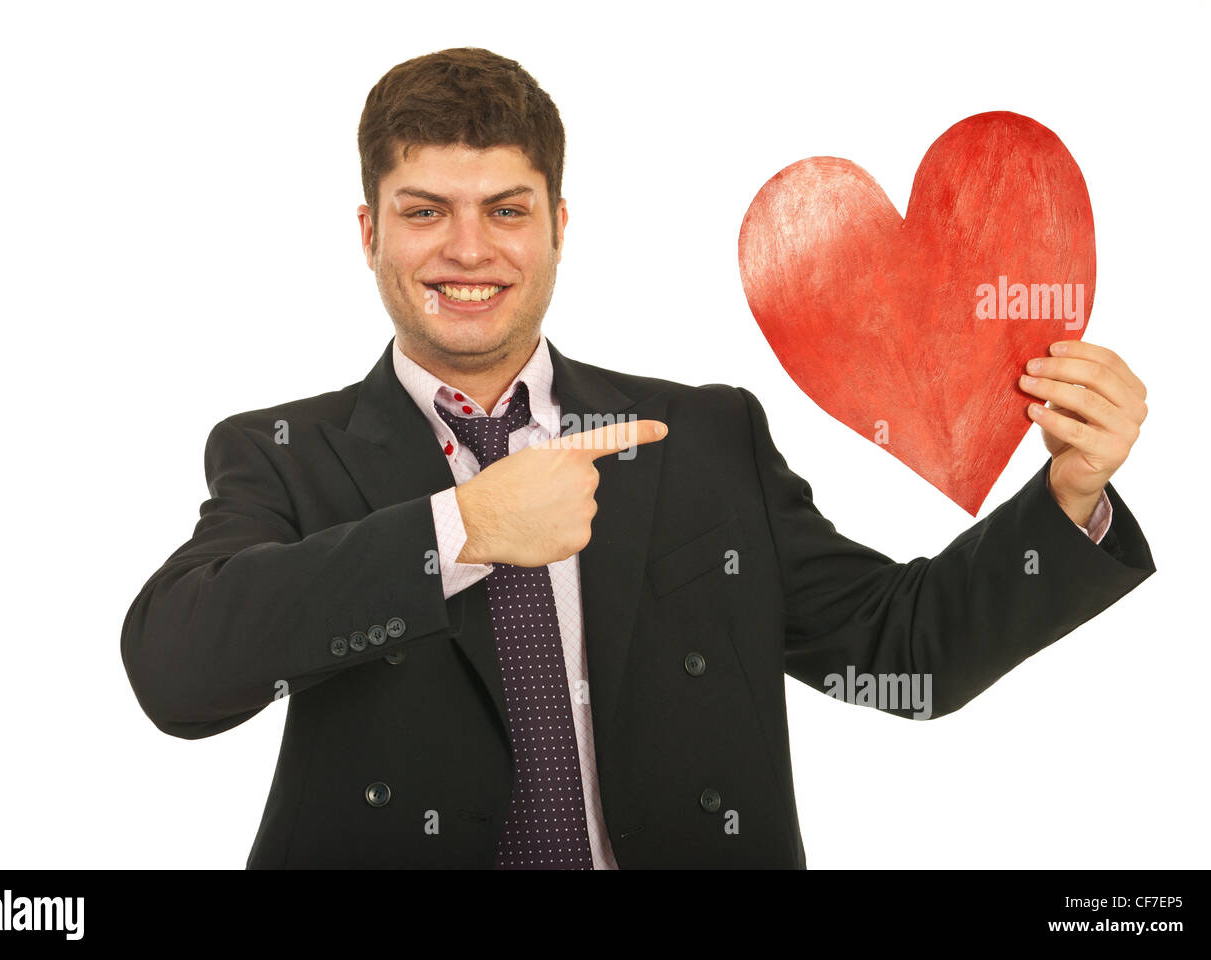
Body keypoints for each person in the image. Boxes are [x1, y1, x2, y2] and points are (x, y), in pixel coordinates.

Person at [120, 47, 1155, 869]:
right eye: (425, 211)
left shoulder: (702, 436)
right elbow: (179, 673)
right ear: (369, 233)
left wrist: (1068, 494)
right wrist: (464, 530)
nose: (468, 250)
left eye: (507, 210)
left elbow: (901, 660)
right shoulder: (284, 454)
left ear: (560, 226)